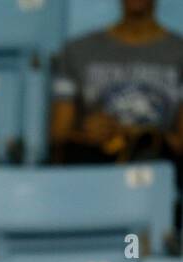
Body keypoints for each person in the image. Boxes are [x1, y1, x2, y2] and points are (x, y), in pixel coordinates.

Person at [50, 0, 183, 165]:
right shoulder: (77, 51)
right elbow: (58, 136)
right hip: (96, 162)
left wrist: (143, 136)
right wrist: (86, 133)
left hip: (160, 165)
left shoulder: (179, 52)